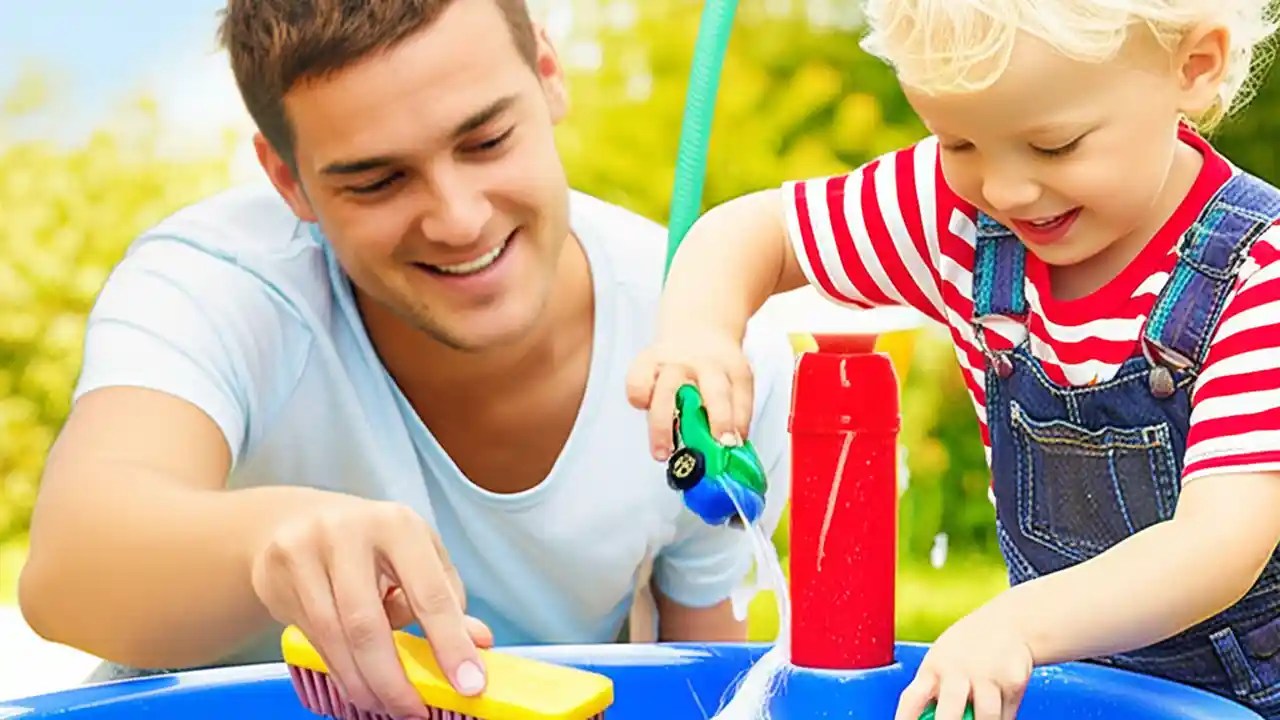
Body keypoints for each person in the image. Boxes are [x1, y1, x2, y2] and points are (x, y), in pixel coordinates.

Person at [16, 0, 795, 717]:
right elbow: (66, 574)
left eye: (487, 141)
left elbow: (705, 679)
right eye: (379, 181)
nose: (458, 220)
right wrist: (268, 541)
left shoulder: (710, 351)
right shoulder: (217, 287)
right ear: (288, 179)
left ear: (548, 75)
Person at [627, 1, 1280, 719]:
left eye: (1055, 145)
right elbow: (753, 232)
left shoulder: (1256, 274)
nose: (1005, 191)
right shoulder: (955, 217)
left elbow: (1219, 544)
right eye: (958, 142)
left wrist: (1019, 625)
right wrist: (700, 333)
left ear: (1194, 67)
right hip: (1073, 688)